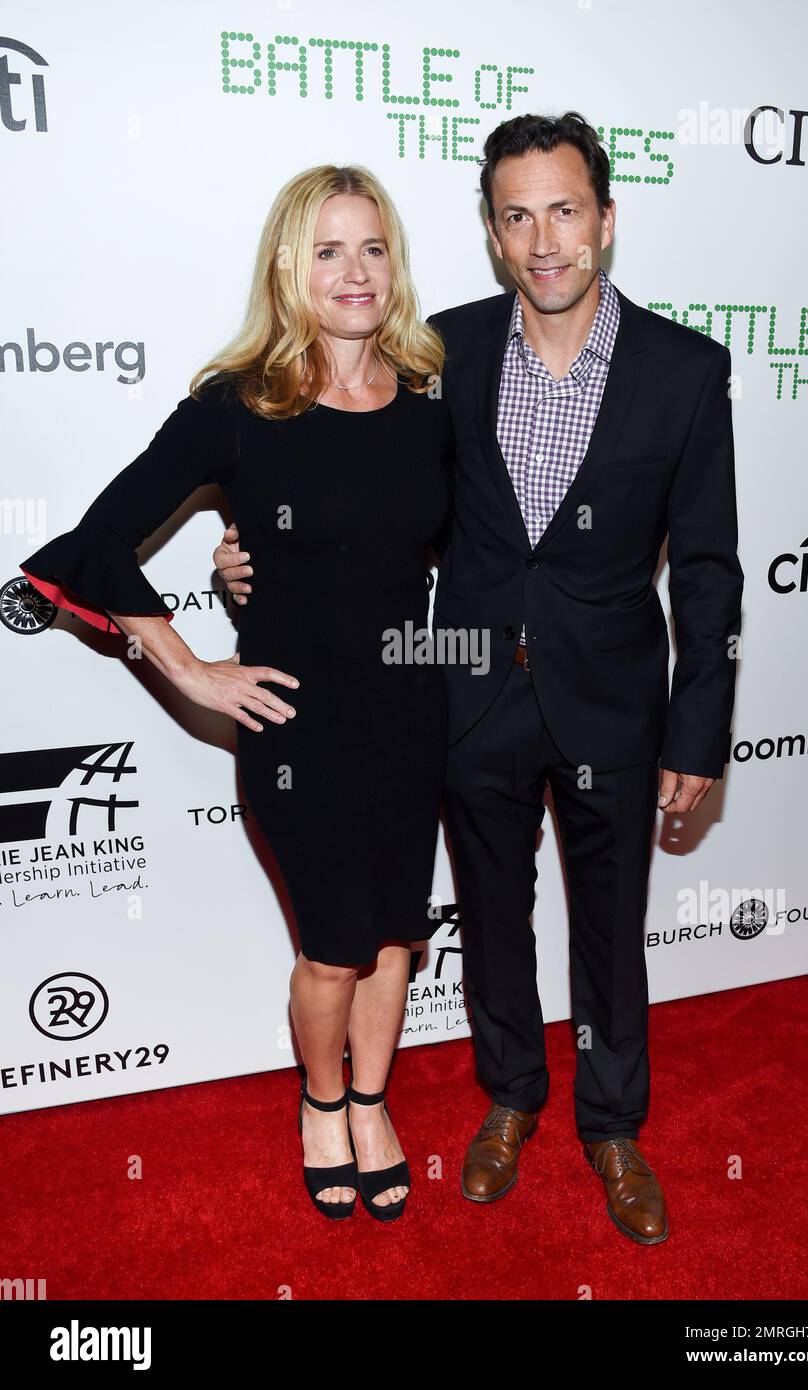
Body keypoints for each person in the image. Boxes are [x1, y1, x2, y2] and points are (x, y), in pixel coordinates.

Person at [216, 113, 744, 1245]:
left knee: (612, 920)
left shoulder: (685, 369)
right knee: (491, 915)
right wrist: (255, 548)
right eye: (517, 216)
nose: (542, 239)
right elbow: (350, 485)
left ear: (606, 220)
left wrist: (697, 734)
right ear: (494, 236)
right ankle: (510, 1098)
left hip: (611, 697)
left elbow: (706, 566)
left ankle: (611, 1122)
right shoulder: (436, 356)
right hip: (461, 688)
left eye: (564, 210)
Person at [19, 164, 454, 1223]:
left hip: (411, 710)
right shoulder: (240, 408)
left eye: (373, 247)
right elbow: (94, 539)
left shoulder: (432, 405)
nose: (353, 272)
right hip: (295, 721)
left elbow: (474, 559)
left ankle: (369, 1100)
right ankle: (317, 1103)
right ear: (286, 267)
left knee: (396, 934)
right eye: (327, 250)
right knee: (333, 944)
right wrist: (189, 663)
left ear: (394, 266)